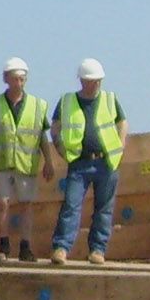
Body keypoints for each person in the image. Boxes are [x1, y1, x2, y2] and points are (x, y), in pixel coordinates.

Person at [49, 58, 128, 265]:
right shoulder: (67, 101)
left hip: (106, 162)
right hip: (79, 162)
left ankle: (97, 250)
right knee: (71, 205)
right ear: (82, 81)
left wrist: (120, 148)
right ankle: (61, 248)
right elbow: (55, 125)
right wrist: (59, 147)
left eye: (98, 80)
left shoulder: (110, 99)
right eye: (92, 80)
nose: (96, 84)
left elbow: (122, 123)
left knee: (104, 208)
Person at [0, 57, 55, 260]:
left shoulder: (37, 106)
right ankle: (3, 246)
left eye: (22, 79)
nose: (18, 83)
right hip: (2, 162)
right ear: (6, 79)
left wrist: (49, 160)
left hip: (26, 163)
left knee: (26, 204)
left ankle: (25, 247)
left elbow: (42, 137)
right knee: (2, 202)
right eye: (14, 79)